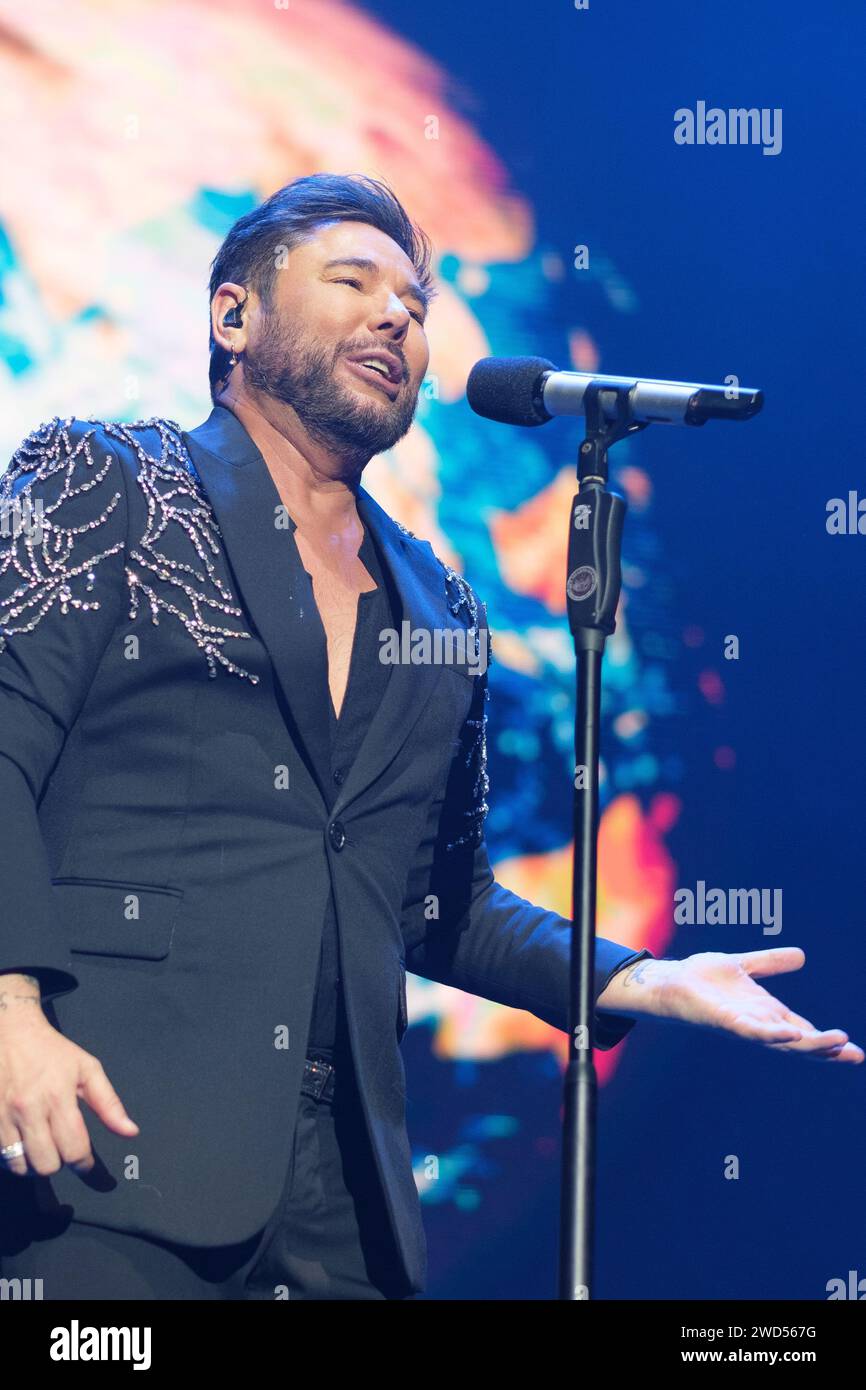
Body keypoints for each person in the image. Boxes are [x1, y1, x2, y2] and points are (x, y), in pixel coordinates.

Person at [0, 173, 860, 1302]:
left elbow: (436, 904)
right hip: (100, 1149)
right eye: (351, 281)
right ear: (232, 318)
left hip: (342, 1206)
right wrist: (10, 1008)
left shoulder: (441, 607)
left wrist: (642, 980)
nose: (397, 315)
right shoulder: (108, 480)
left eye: (413, 300)